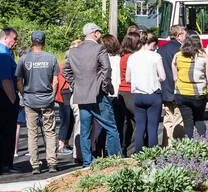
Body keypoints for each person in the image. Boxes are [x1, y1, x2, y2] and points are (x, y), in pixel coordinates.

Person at [65, 22, 119, 167]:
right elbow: (107, 69)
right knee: (111, 127)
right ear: (95, 33)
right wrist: (104, 86)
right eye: (99, 32)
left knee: (85, 131)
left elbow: (67, 72)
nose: (100, 35)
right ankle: (116, 161)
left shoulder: (73, 51)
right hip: (98, 95)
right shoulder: (99, 48)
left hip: (81, 95)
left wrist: (76, 86)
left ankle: (87, 162)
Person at [17, 31, 61, 173]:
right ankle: (52, 163)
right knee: (50, 131)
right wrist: (52, 94)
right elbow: (55, 81)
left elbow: (19, 81)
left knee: (32, 132)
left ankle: (35, 165)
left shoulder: (24, 59)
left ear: (32, 41)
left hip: (30, 99)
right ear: (44, 42)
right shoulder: (51, 58)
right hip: (47, 98)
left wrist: (24, 94)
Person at [0, 27, 20, 173]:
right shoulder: (2, 54)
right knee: (7, 131)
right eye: (14, 39)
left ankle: (6, 164)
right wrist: (13, 99)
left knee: (4, 131)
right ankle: (6, 165)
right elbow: (5, 79)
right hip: (4, 94)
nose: (16, 42)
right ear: (6, 38)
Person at [126, 32, 166, 151]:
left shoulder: (132, 57)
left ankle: (138, 154)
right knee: (152, 128)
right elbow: (163, 76)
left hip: (138, 96)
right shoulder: (155, 56)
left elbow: (127, 79)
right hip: (153, 95)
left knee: (140, 127)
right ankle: (153, 154)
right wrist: (155, 79)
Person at [173, 31, 208, 138]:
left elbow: (175, 77)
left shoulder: (177, 56)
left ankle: (189, 147)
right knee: (199, 119)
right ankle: (203, 145)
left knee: (187, 122)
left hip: (181, 93)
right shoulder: (204, 57)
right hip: (199, 94)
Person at [158, 24, 186, 145]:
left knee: (168, 119)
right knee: (179, 119)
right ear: (179, 35)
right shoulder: (182, 50)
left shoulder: (161, 49)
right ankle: (177, 145)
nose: (186, 36)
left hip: (165, 89)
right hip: (178, 89)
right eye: (184, 34)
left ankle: (167, 144)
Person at [117, 32, 139, 154]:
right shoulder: (131, 57)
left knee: (128, 122)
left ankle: (124, 147)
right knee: (139, 120)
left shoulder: (123, 56)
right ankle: (133, 149)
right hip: (130, 91)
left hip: (122, 91)